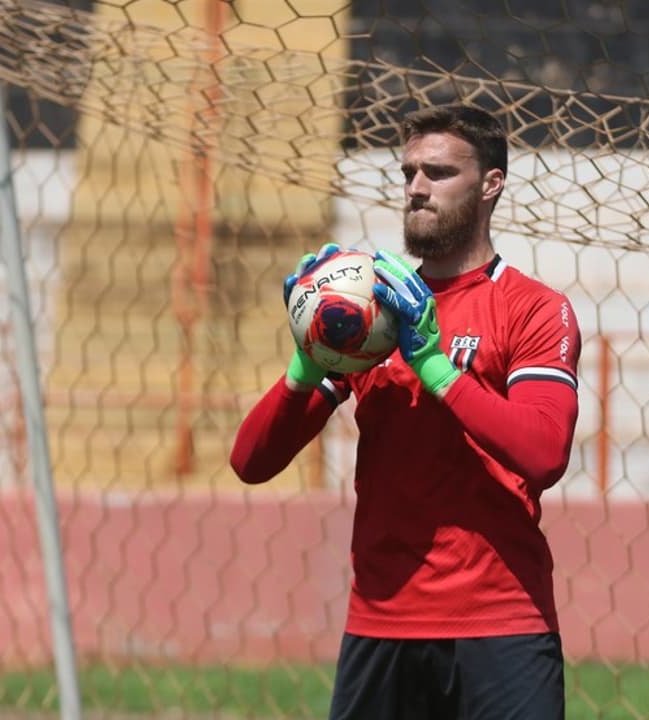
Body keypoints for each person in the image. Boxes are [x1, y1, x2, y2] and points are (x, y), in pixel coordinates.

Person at [229, 103, 582, 720]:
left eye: (439, 173)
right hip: (382, 624)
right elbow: (251, 462)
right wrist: (306, 365)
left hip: (500, 625)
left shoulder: (532, 309)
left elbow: (545, 452)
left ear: (490, 185)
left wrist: (437, 368)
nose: (417, 189)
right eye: (409, 173)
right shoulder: (372, 316)